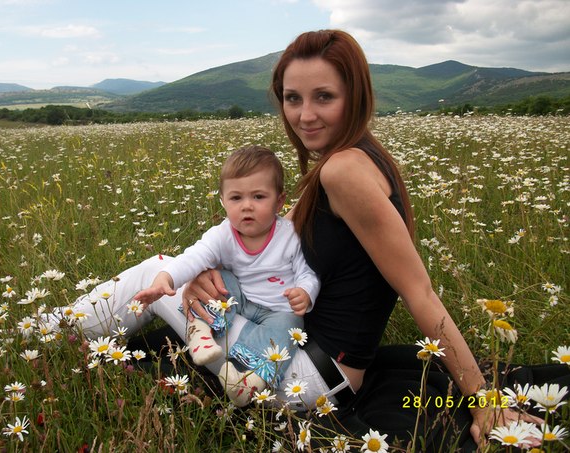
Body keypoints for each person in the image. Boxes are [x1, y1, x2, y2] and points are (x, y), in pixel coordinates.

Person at [57, 29, 567, 451]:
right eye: (292, 98)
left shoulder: (344, 171)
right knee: (179, 274)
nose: (304, 115)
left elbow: (420, 292)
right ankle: (68, 332)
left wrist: (482, 400)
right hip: (312, 356)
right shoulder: (361, 156)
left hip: (309, 377)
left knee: (156, 270)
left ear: (354, 96)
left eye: (324, 96)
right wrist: (209, 275)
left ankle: (52, 335)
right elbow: (275, 252)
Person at [130, 145, 320, 407]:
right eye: (236, 198)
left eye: (258, 197)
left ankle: (249, 382)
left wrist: (306, 292)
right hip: (240, 298)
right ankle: (200, 334)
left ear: (279, 201)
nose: (247, 206)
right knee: (219, 280)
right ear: (222, 200)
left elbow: (307, 271)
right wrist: (166, 278)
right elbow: (194, 257)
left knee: (289, 328)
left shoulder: (289, 235)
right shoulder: (223, 234)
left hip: (278, 308)